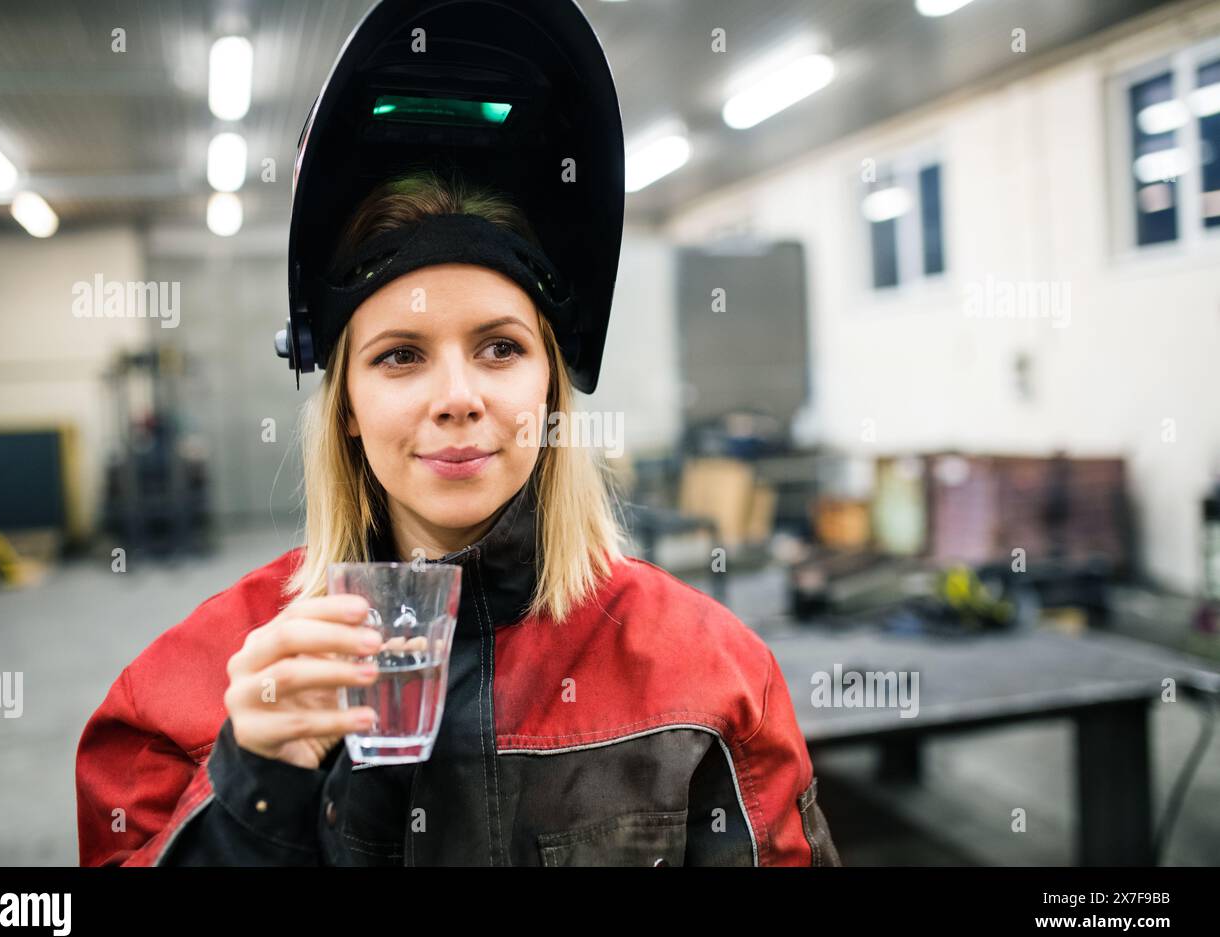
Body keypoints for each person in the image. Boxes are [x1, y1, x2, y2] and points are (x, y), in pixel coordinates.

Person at [75, 167, 840, 867]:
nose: (457, 397)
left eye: (500, 348)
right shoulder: (195, 690)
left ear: (549, 392)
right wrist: (253, 795)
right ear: (346, 405)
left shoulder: (709, 676)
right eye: (401, 355)